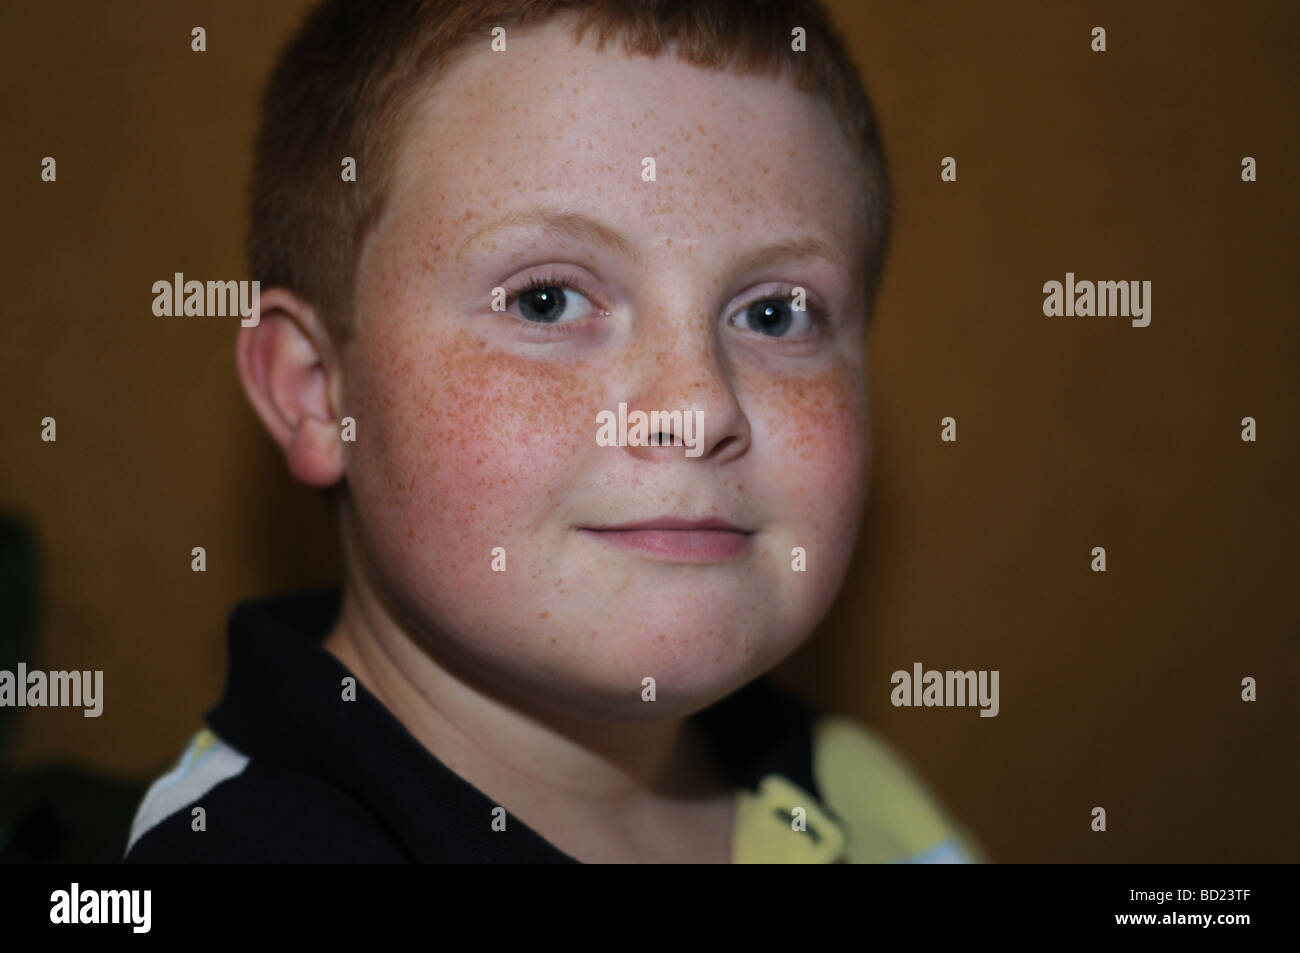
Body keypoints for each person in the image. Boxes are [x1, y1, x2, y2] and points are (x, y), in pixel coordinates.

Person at [116, 0, 985, 863]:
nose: (700, 407)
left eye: (773, 312)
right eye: (547, 300)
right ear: (316, 392)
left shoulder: (867, 800)